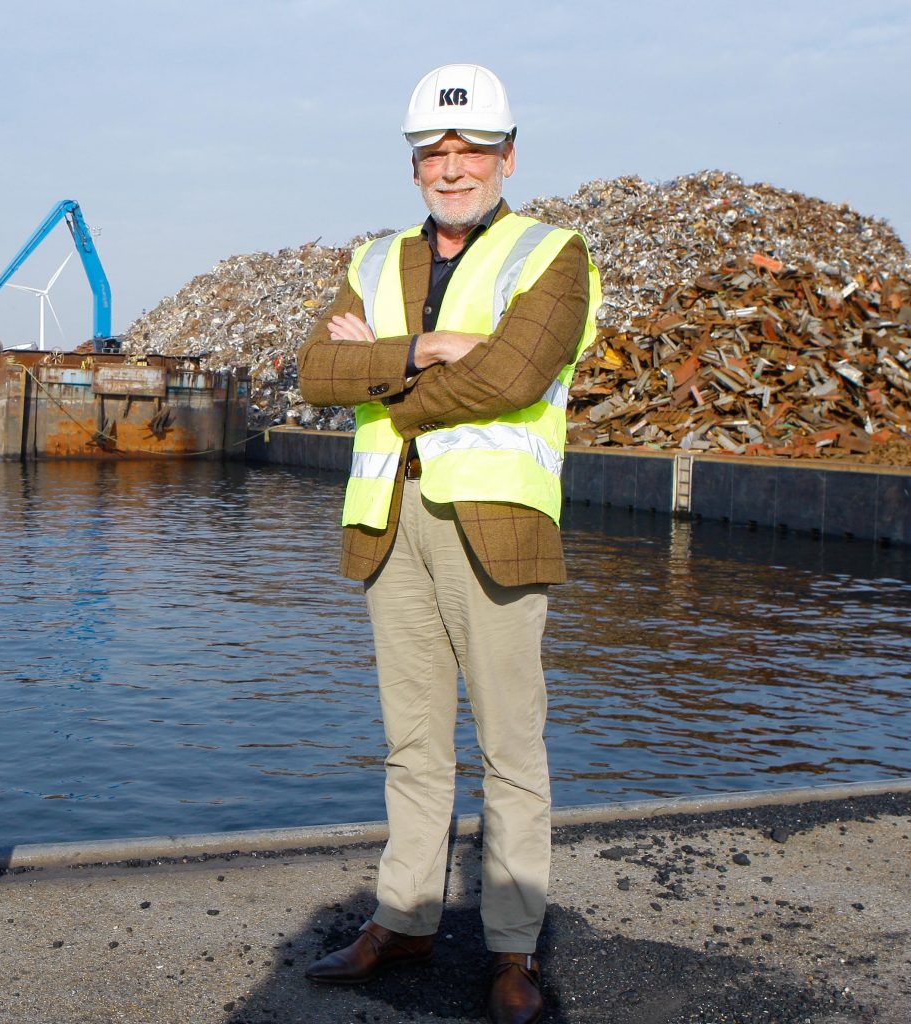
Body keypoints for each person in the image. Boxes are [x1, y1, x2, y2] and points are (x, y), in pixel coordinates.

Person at [297, 64, 600, 1024]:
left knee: (512, 746)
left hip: (497, 523)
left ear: (508, 156)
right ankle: (406, 916)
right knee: (414, 743)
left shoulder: (555, 254)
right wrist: (430, 349)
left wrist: (380, 370)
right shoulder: (373, 259)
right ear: (415, 163)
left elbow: (513, 377)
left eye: (473, 150)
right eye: (436, 151)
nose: (454, 166)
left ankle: (514, 950)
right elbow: (314, 371)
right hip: (390, 521)